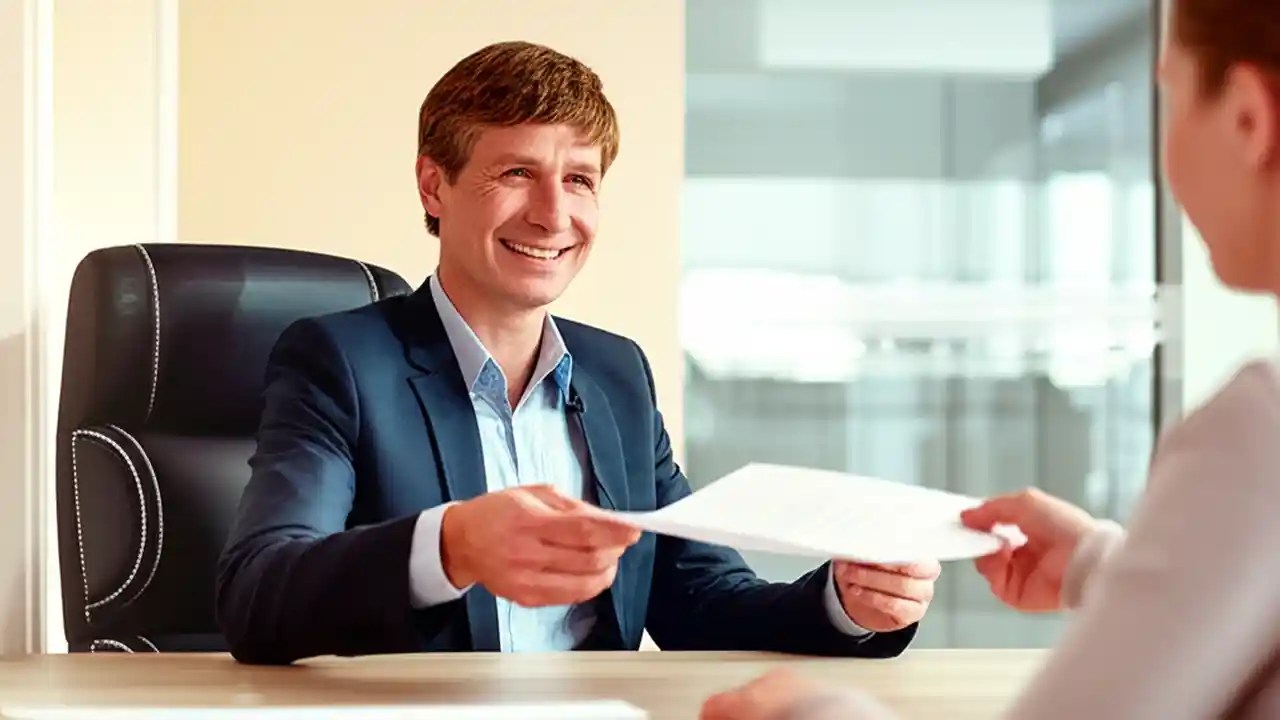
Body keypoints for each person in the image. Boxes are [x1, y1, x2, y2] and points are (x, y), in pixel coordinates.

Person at [215, 40, 939, 664]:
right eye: (517, 174)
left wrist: (847, 605)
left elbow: (701, 601)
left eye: (580, 180)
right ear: (435, 185)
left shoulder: (615, 373)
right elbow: (256, 593)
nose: (553, 215)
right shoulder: (340, 362)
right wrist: (453, 545)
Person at [701, 0, 1280, 717]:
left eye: (1171, 94)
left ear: (1248, 120)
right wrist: (1100, 563)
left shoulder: (1257, 430)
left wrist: (806, 710)